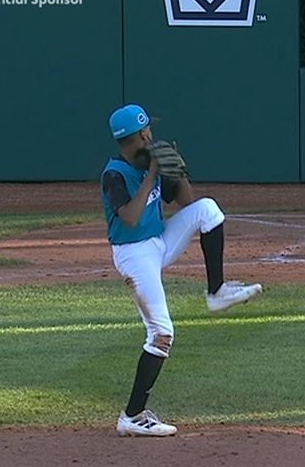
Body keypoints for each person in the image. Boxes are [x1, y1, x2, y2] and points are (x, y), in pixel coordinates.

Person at [101, 104, 262, 437]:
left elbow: (187, 202)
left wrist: (176, 172)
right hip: (134, 254)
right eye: (149, 131)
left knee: (208, 210)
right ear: (141, 133)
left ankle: (216, 292)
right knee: (161, 333)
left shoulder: (153, 163)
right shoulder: (114, 174)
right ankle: (131, 416)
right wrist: (151, 174)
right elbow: (129, 218)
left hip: (159, 241)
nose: (153, 135)